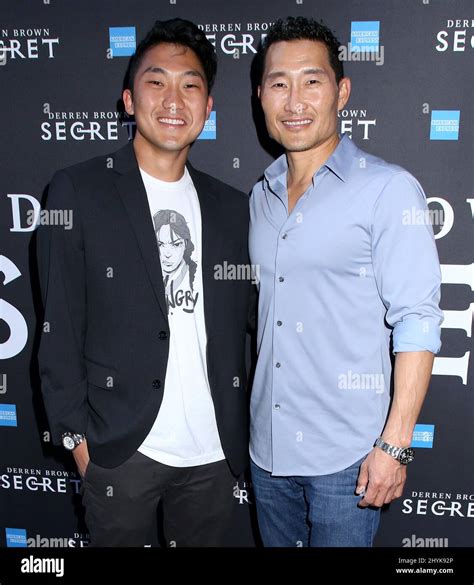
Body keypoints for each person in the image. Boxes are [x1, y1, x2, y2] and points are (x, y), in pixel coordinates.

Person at [36, 18, 252, 547]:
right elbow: (59, 325)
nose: (173, 99)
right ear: (130, 100)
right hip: (119, 451)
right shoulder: (78, 190)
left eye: (190, 85)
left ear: (208, 107)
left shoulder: (232, 207)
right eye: (157, 82)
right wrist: (79, 443)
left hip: (214, 453)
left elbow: (253, 321)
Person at [248, 16, 443, 547]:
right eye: (279, 83)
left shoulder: (387, 190)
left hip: (348, 460)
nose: (295, 101)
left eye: (312, 81)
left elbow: (418, 320)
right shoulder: (260, 196)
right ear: (261, 95)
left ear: (342, 92)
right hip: (266, 453)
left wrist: (395, 444)